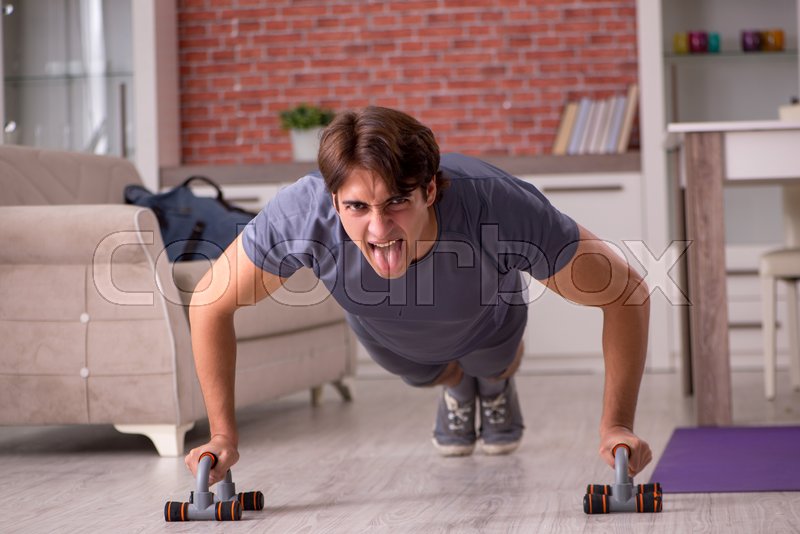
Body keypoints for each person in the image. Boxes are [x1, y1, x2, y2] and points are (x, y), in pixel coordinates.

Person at [185, 106, 653, 485]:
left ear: (429, 189)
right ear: (333, 202)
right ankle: (455, 388)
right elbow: (209, 302)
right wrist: (222, 434)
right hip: (388, 335)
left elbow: (626, 292)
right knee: (429, 373)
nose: (379, 227)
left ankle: (493, 386)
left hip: (488, 317)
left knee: (490, 364)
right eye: (357, 207)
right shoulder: (299, 218)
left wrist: (617, 425)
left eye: (396, 202)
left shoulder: (497, 205)